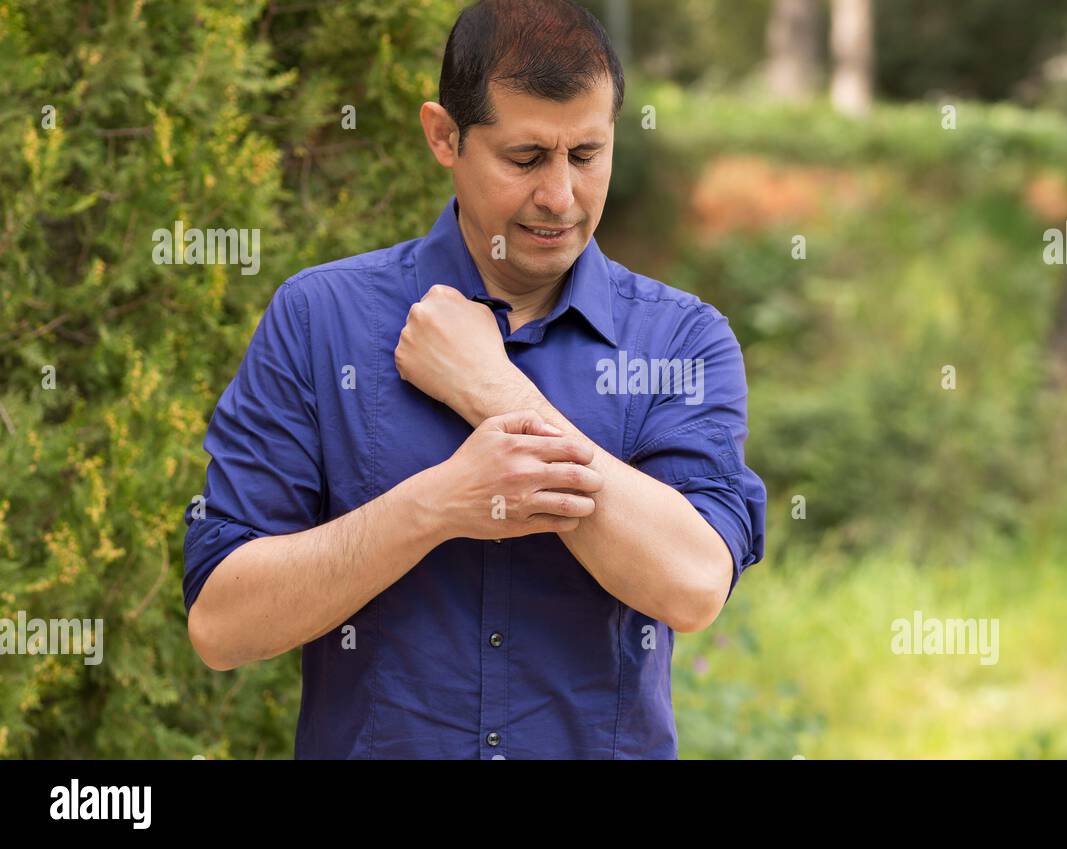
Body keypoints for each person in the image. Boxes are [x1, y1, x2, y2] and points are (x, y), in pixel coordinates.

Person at [182, 0, 765, 759]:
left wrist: (494, 390)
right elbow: (222, 625)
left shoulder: (682, 338)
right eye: (525, 158)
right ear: (443, 136)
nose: (560, 196)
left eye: (586, 155)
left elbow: (691, 584)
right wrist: (436, 505)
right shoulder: (320, 318)